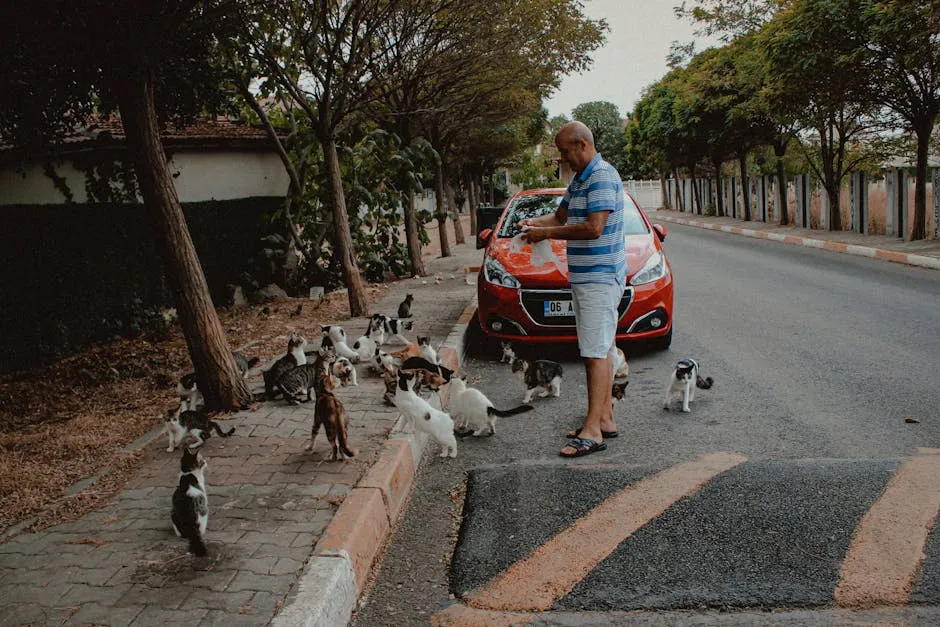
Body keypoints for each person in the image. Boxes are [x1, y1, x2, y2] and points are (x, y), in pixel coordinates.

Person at [519, 121, 626, 458]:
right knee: (602, 349)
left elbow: (595, 228)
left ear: (582, 144)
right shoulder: (580, 179)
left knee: (594, 354)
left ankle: (592, 431)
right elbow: (561, 216)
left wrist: (548, 235)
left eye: (565, 151)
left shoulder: (602, 176)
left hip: (600, 277)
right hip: (586, 277)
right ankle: (604, 418)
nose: (563, 159)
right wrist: (534, 226)